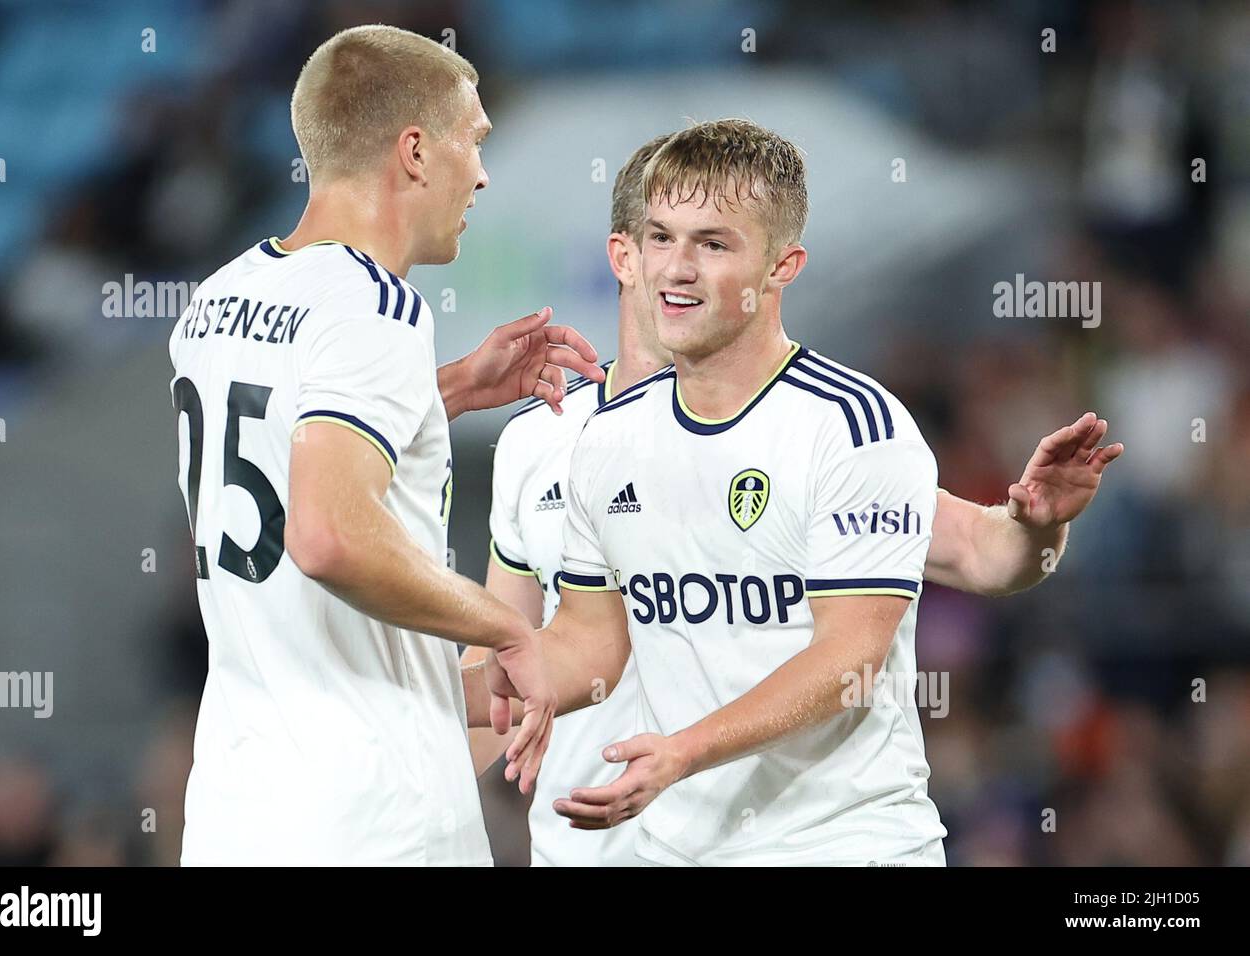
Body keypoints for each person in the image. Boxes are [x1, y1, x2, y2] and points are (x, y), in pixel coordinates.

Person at [466, 119, 1123, 866]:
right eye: (661, 238)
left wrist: (684, 751)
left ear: (783, 266)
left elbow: (852, 662)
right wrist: (396, 693)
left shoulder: (849, 427)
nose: (675, 268)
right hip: (672, 846)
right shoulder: (603, 444)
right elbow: (586, 641)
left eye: (711, 244)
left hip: (842, 844)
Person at [168, 24, 599, 865]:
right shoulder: (376, 306)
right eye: (472, 141)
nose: (479, 173)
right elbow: (326, 534)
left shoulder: (221, 298)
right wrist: (510, 632)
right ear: (413, 151)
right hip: (372, 813)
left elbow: (278, 464)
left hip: (235, 807)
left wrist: (443, 394)